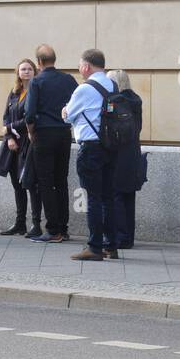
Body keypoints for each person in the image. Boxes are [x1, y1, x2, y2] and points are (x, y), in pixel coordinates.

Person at [64, 49, 117, 261]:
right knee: (108, 198)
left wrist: (64, 111)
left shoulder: (84, 89)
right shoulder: (112, 85)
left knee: (93, 198)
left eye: (80, 65)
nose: (79, 69)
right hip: (109, 147)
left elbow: (68, 116)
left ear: (86, 66)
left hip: (90, 148)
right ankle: (110, 245)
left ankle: (94, 247)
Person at [25, 44, 78, 244]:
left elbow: (29, 114)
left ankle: (53, 229)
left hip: (43, 134)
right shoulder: (68, 80)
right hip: (64, 134)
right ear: (55, 59)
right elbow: (75, 106)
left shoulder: (37, 82)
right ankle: (63, 228)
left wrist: (32, 133)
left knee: (46, 183)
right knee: (61, 181)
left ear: (38, 62)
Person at [0, 59, 38, 236]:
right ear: (18, 72)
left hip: (28, 145)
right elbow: (5, 118)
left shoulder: (35, 91)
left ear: (35, 71)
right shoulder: (14, 92)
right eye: (23, 69)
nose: (26, 72)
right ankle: (19, 222)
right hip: (13, 146)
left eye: (29, 69)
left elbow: (30, 117)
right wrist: (9, 137)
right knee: (16, 184)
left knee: (30, 183)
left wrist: (11, 128)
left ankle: (36, 223)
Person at [107, 68, 145, 250]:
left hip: (117, 152)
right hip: (133, 151)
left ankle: (121, 237)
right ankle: (128, 236)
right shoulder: (136, 100)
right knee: (129, 196)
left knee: (116, 195)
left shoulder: (113, 101)